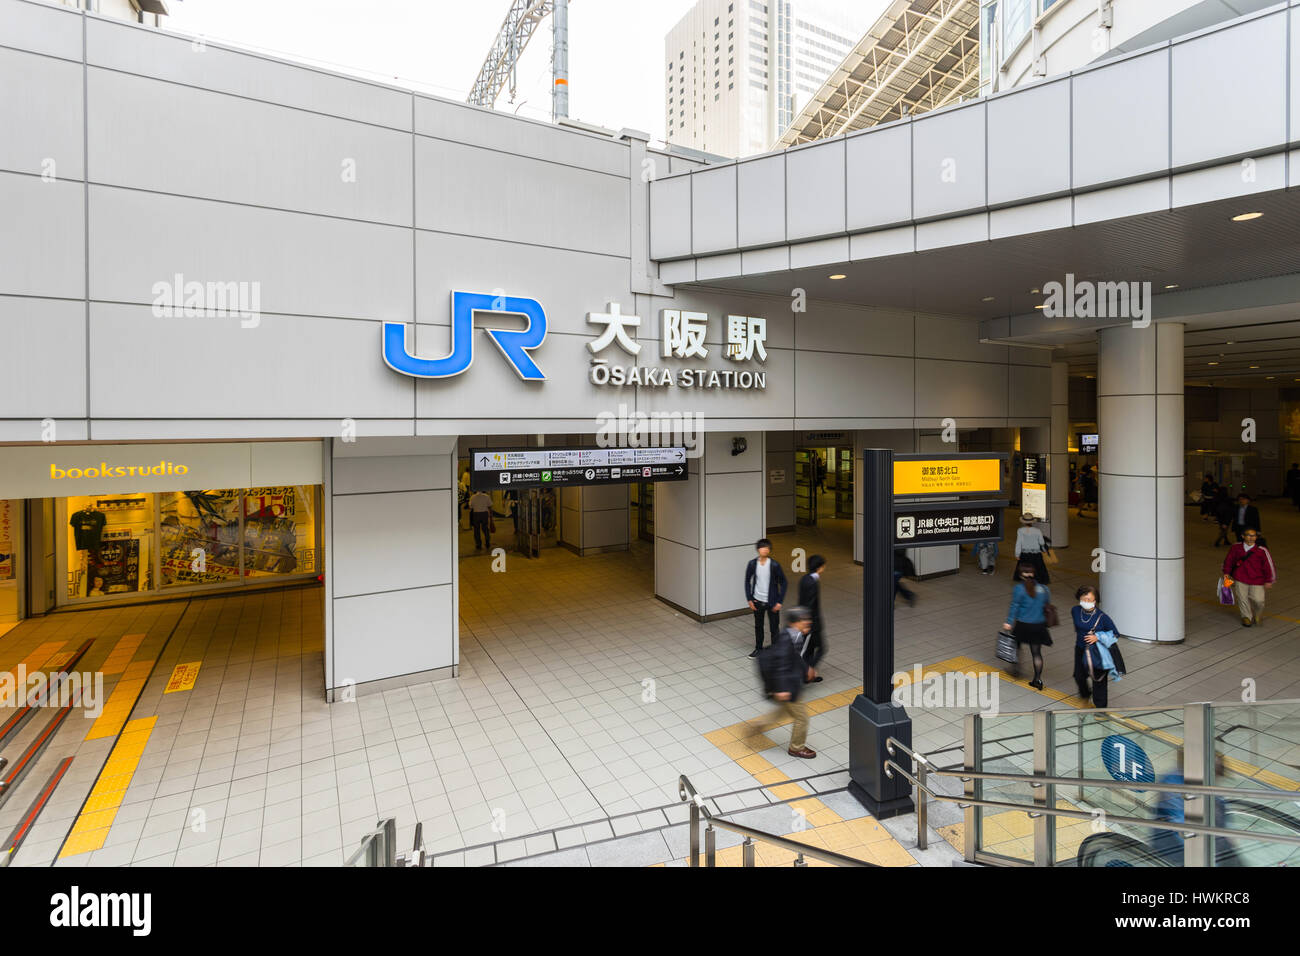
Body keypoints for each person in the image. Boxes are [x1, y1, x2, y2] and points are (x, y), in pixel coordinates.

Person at [747, 606, 818, 759]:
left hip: (790, 683)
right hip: (787, 686)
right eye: (805, 620)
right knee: (802, 718)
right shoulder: (786, 639)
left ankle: (757, 727)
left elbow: (794, 657)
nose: (808, 623)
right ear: (795, 622)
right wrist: (781, 689)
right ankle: (796, 748)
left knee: (783, 712)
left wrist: (806, 669)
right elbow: (780, 666)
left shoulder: (794, 634)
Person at [1151, 751, 1243, 866]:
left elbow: (1221, 810)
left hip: (1212, 842)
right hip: (1177, 850)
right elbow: (1181, 827)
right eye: (1216, 772)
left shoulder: (1206, 784)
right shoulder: (1172, 784)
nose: (1218, 778)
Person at [1002, 562, 1053, 690]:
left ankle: (1016, 670)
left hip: (1023, 625)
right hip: (1039, 625)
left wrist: (1008, 622)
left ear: (1021, 575)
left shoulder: (1019, 589)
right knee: (1036, 653)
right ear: (1033, 574)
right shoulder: (1044, 589)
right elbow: (1047, 604)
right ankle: (1037, 679)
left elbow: (1015, 606)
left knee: (1016, 647)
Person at [1071, 585, 1124, 707]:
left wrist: (1097, 637)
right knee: (1079, 676)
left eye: (1089, 600)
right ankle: (1085, 695)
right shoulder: (1075, 611)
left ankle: (1100, 709)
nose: (1086, 602)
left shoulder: (1102, 617)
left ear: (1095, 601)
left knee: (1099, 679)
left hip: (1097, 651)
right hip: (1080, 649)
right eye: (1083, 599)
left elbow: (1115, 634)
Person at [1222, 528, 1275, 627]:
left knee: (1259, 600)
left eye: (1254, 536)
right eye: (1249, 535)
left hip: (1257, 579)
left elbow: (1268, 566)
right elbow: (1229, 560)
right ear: (1243, 536)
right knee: (1242, 598)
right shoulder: (1236, 547)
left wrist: (1269, 580)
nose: (1251, 538)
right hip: (1240, 578)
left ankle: (1258, 615)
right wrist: (1226, 572)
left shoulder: (1262, 550)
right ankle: (1246, 617)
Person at [744, 538, 787, 658]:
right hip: (757, 600)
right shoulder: (752, 564)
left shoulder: (774, 565)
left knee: (774, 627)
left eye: (767, 548)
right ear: (758, 549)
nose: (765, 550)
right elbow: (747, 581)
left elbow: (784, 582)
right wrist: (749, 598)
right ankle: (758, 648)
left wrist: (779, 601)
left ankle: (776, 651)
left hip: (772, 602)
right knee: (758, 626)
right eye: (763, 547)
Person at [797, 555, 827, 683]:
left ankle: (807, 674)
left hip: (806, 621)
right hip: (812, 624)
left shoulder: (804, 579)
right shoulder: (813, 583)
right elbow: (810, 605)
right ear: (819, 567)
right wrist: (809, 623)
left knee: (809, 649)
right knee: (822, 648)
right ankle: (808, 671)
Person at [1012, 514, 1050, 584]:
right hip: (1036, 554)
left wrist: (1017, 554)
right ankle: (1038, 581)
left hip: (1024, 554)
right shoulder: (1037, 531)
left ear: (1023, 522)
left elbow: (1018, 543)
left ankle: (1025, 580)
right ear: (1032, 522)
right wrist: (1044, 549)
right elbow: (1041, 542)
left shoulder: (1020, 530)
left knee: (1024, 568)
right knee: (1039, 569)